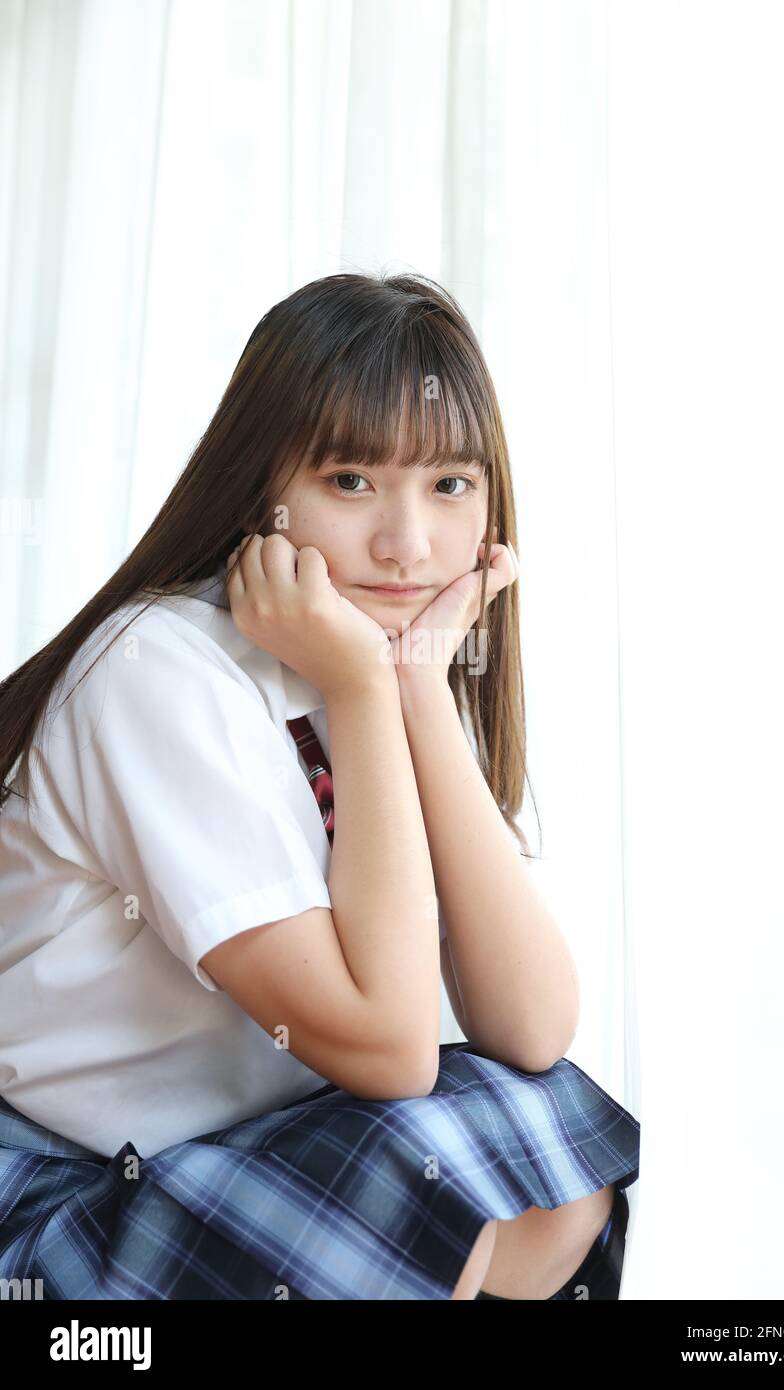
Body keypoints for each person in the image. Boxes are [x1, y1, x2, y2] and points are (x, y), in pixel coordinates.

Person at [0, 272, 639, 1300]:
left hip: (234, 1148)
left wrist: (418, 688)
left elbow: (529, 1026)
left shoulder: (368, 653)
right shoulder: (159, 668)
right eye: (349, 480)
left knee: (560, 1149)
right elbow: (390, 1051)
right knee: (429, 1186)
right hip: (63, 1190)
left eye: (448, 485)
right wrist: (356, 682)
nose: (407, 542)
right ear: (265, 487)